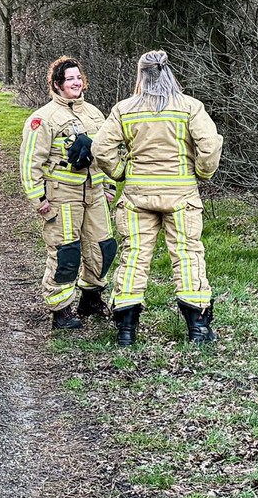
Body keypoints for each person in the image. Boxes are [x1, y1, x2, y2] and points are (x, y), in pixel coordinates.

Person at [93, 51, 222, 346]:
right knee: (188, 256)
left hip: (137, 196)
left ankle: (126, 332)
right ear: (169, 73)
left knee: (134, 257)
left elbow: (101, 148)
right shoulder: (189, 107)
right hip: (181, 195)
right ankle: (198, 330)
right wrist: (201, 173)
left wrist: (120, 171)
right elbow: (210, 145)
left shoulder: (125, 109)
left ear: (140, 74)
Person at [21, 57, 117, 331]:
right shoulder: (43, 118)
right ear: (57, 85)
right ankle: (61, 310)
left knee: (102, 249)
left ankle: (90, 298)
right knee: (66, 254)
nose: (76, 83)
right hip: (62, 196)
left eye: (78, 77)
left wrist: (110, 186)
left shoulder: (95, 114)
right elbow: (30, 162)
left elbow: (109, 153)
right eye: (70, 79)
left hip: (95, 194)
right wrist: (38, 198)